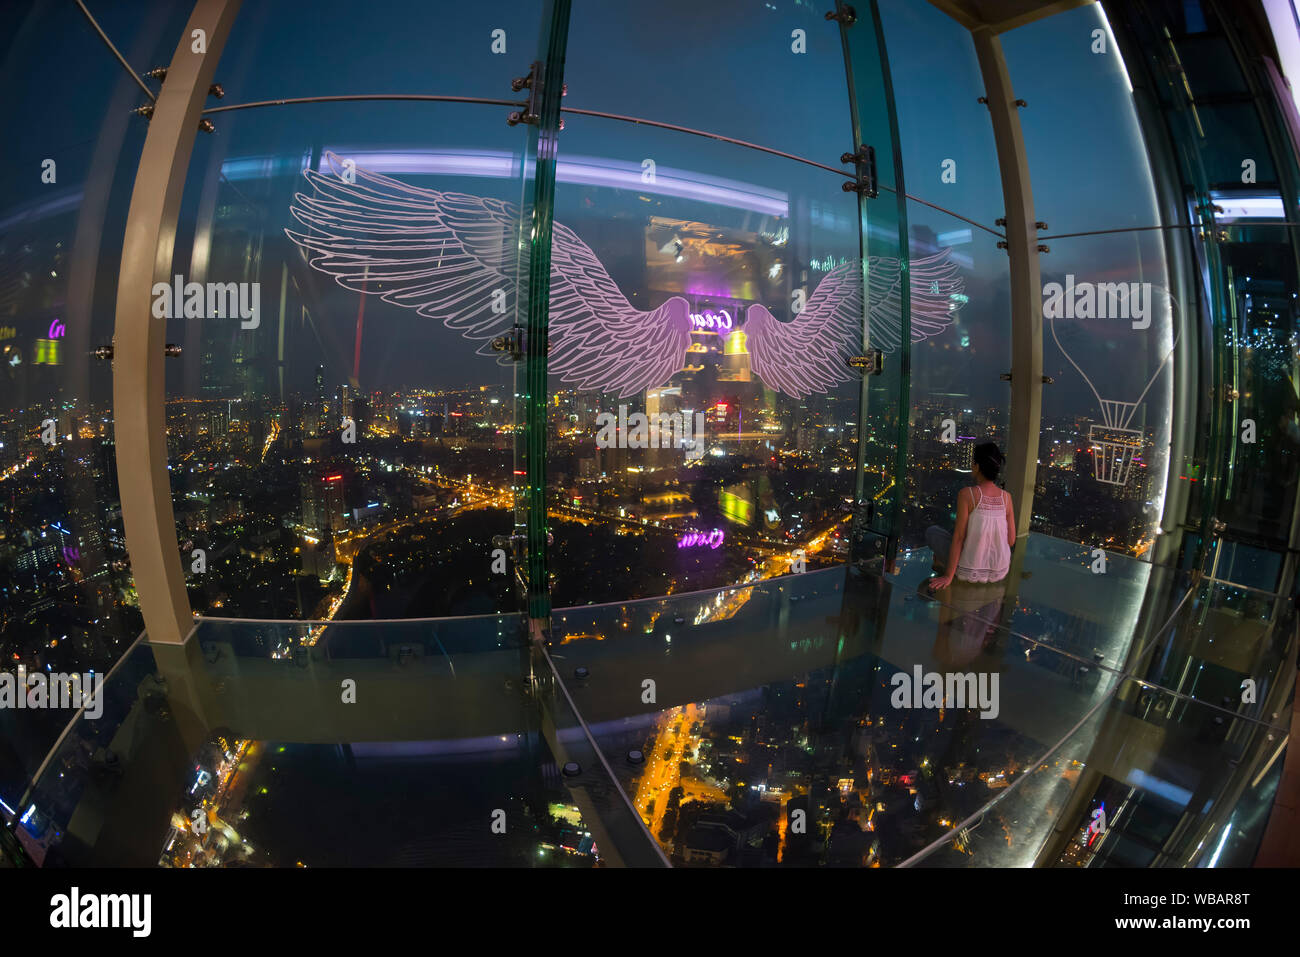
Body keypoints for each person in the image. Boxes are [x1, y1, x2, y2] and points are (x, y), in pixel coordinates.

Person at [926, 442, 1015, 591]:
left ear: (977, 466)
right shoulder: (1007, 498)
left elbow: (959, 538)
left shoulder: (967, 494)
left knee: (932, 532)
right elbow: (1011, 541)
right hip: (1000, 570)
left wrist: (948, 576)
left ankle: (945, 565)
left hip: (968, 570)